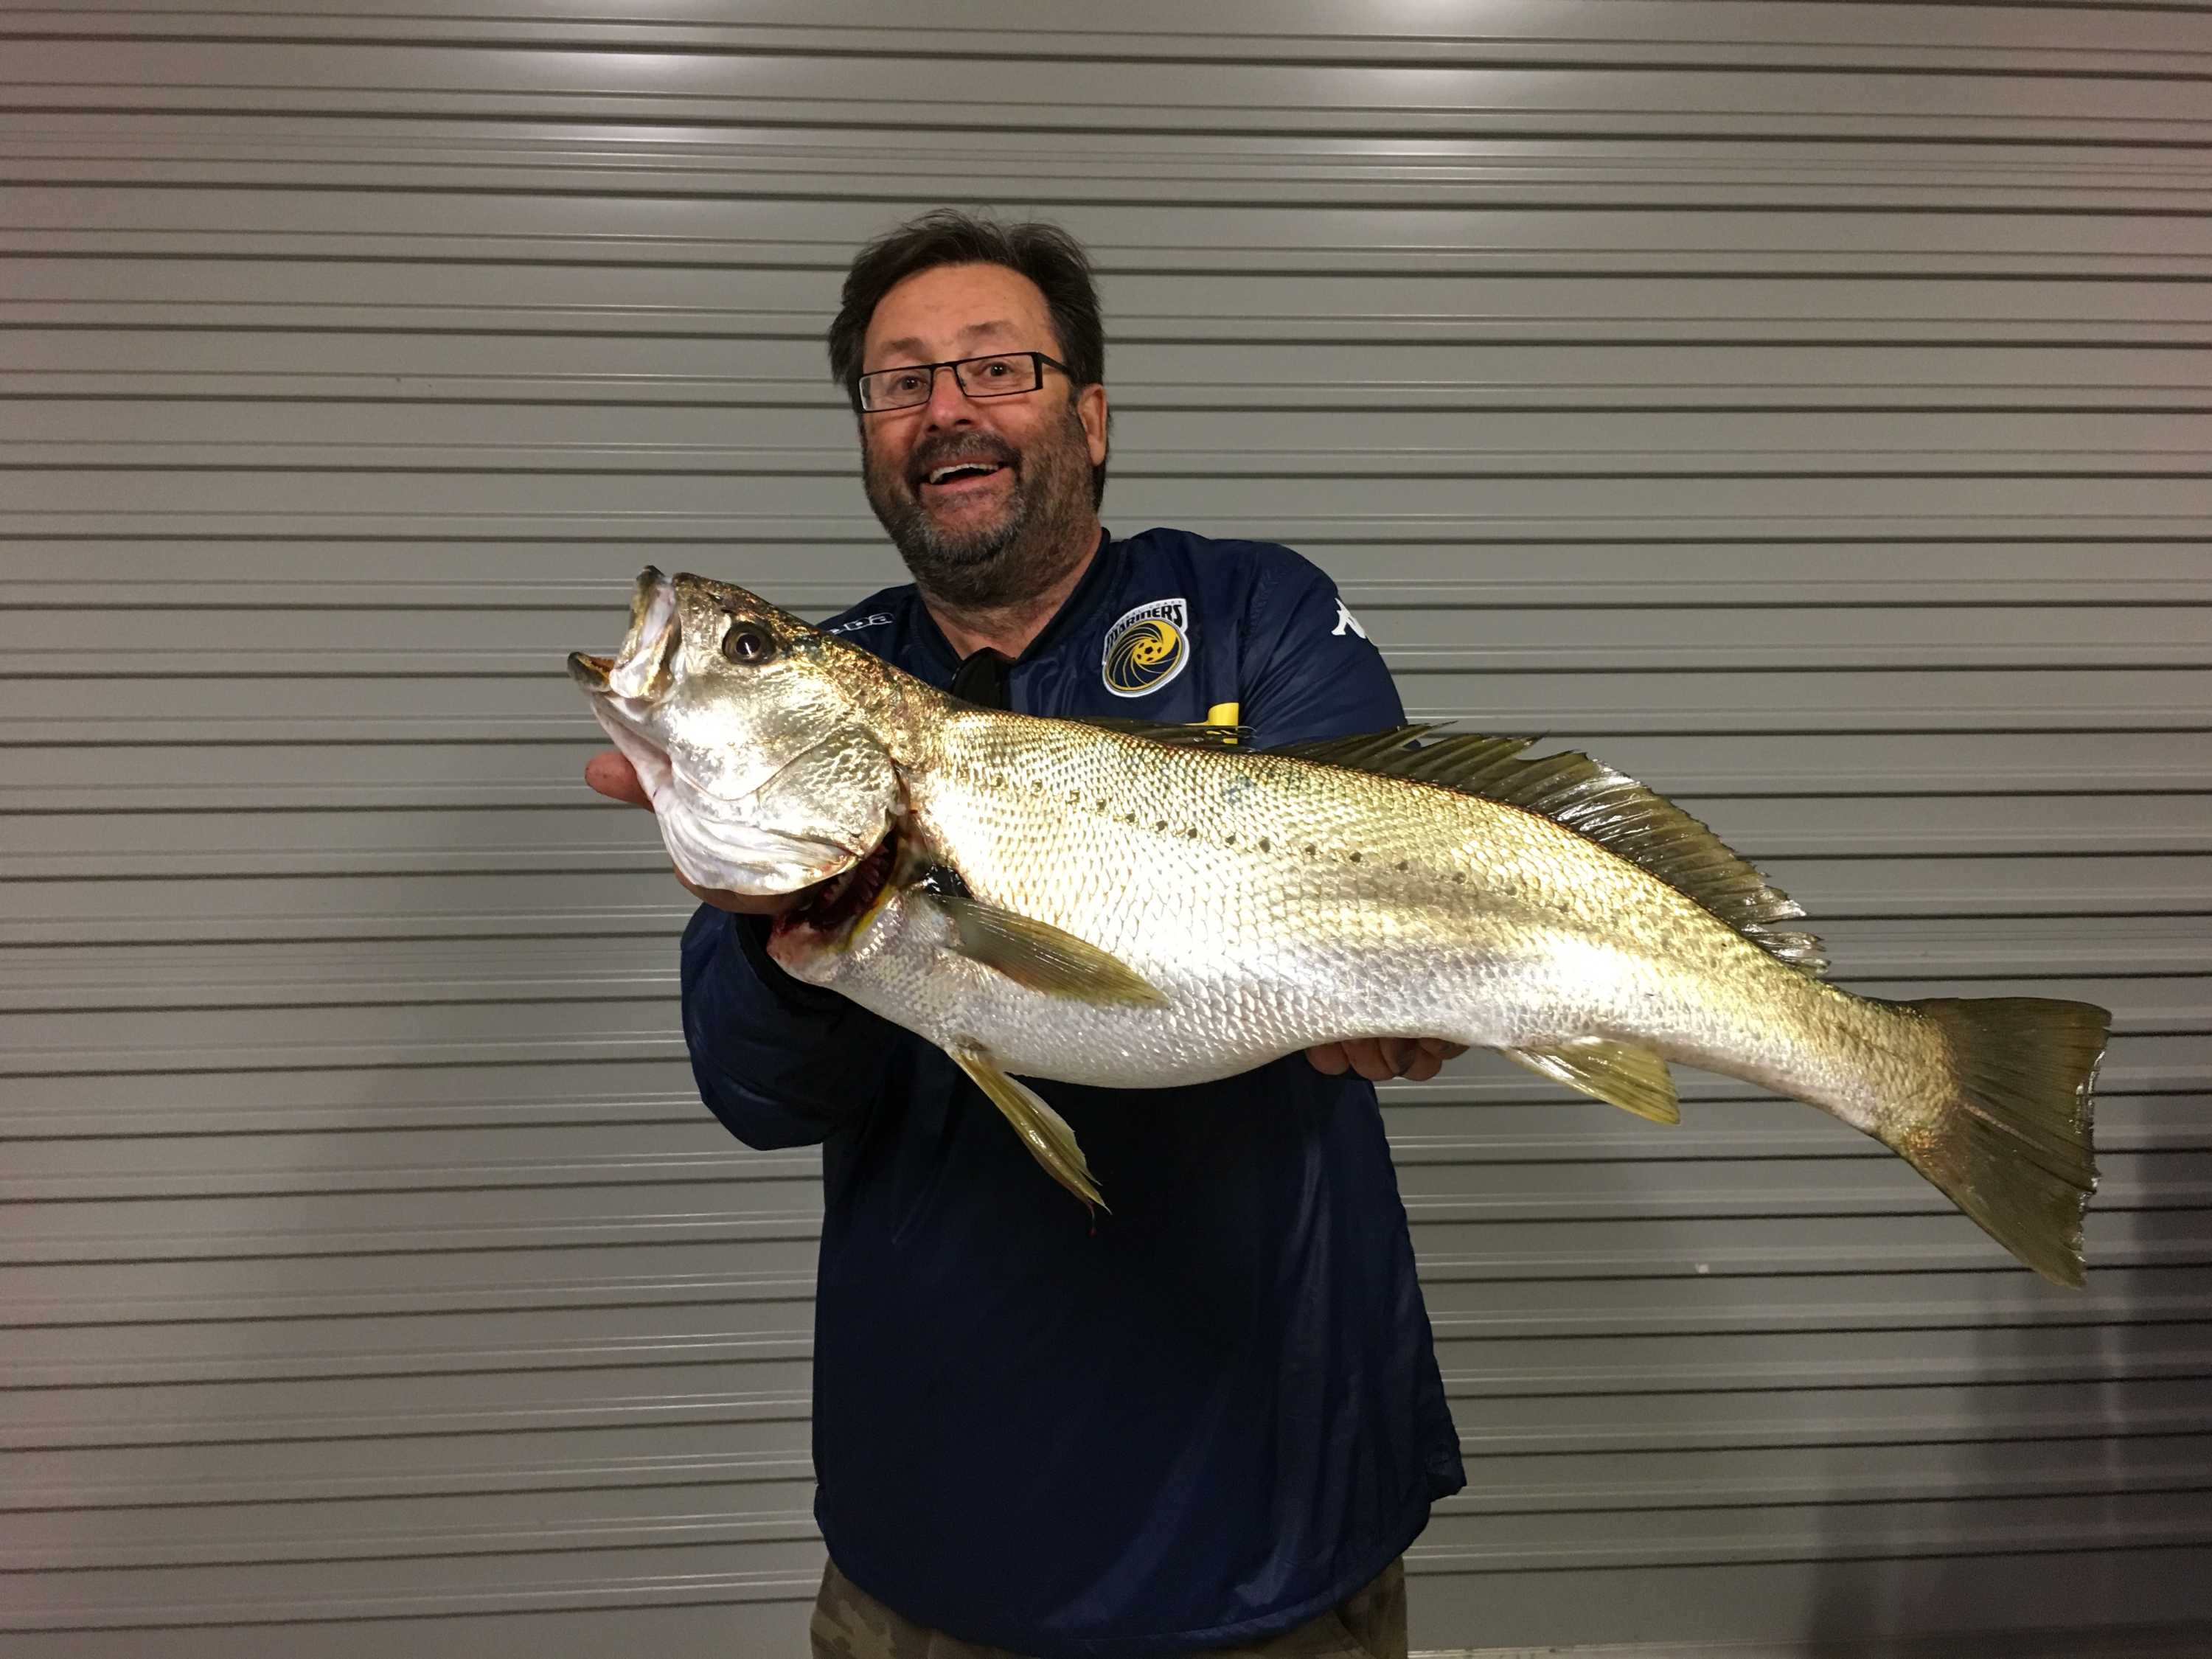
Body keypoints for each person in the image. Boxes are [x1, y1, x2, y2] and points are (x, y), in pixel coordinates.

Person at [585, 209, 1467, 1659]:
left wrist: (1411, 1001)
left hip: (1276, 1520)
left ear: (1091, 414)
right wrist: (780, 922)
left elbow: (1382, 912)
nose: (946, 412)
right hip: (936, 1543)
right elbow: (756, 1092)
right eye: (900, 381)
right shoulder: (831, 692)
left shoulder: (1261, 614)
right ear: (871, 438)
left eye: (997, 367)